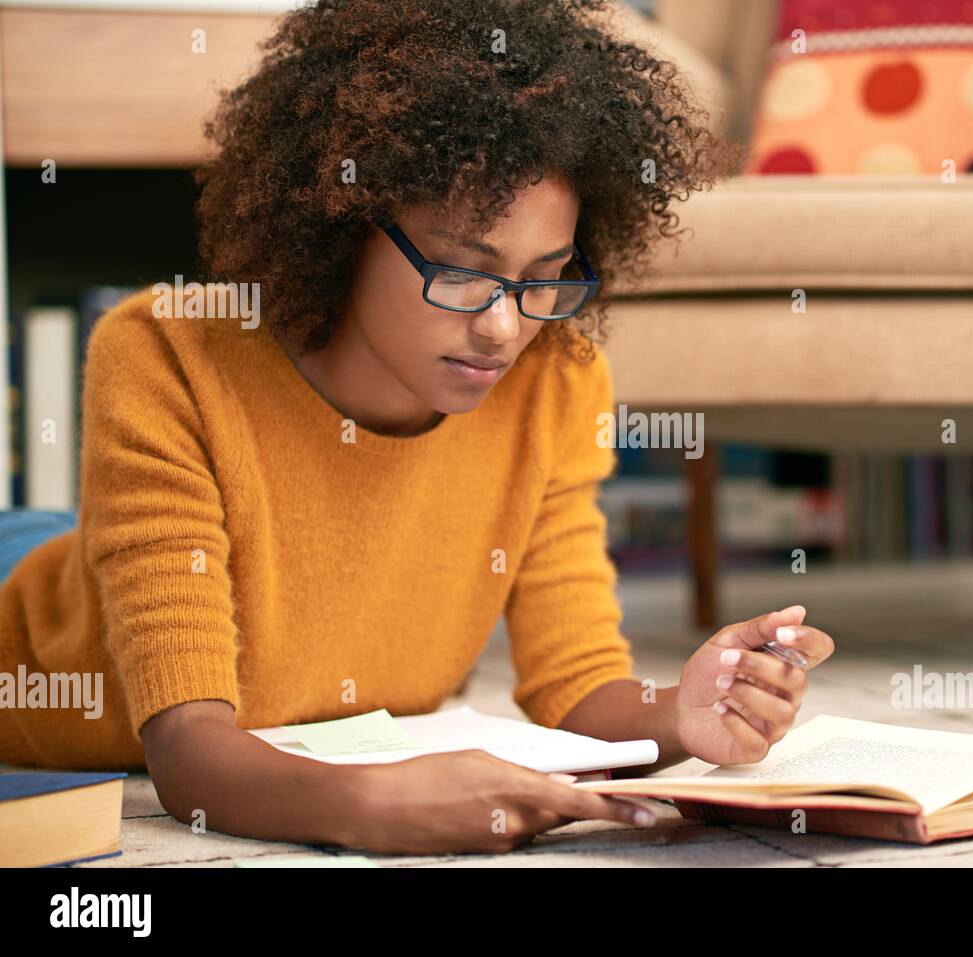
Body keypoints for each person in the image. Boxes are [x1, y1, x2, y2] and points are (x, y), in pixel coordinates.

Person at [0, 0, 834, 855]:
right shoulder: (165, 357)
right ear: (343, 223)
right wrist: (371, 806)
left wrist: (683, 711)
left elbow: (579, 685)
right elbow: (188, 757)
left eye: (543, 278)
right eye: (464, 272)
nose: (507, 328)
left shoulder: (555, 385)